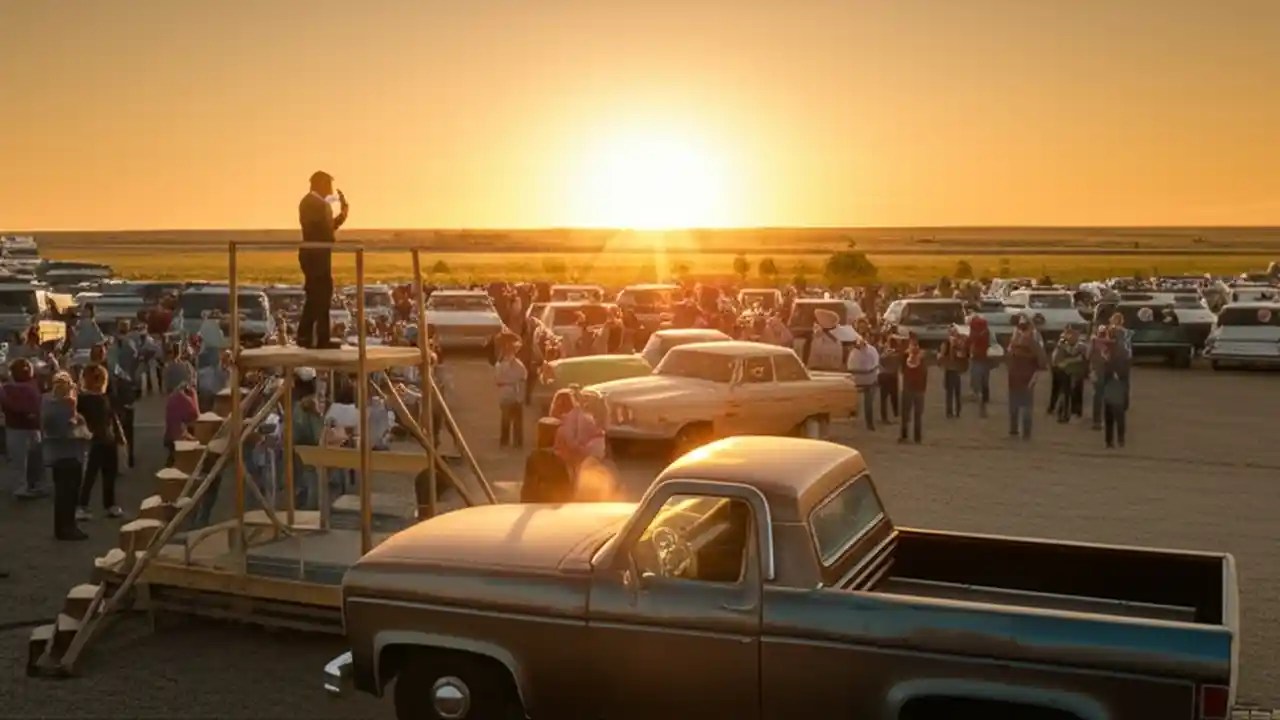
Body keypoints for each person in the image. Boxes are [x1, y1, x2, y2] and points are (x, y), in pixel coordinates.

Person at [297, 171, 349, 349]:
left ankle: (307, 336)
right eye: (328, 185)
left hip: (319, 255)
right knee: (321, 294)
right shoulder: (311, 203)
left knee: (316, 296)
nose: (331, 189)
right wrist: (331, 206)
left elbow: (327, 227)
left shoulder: (317, 204)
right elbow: (323, 231)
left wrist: (342, 215)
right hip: (315, 257)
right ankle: (319, 337)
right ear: (320, 184)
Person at [42, 372, 88, 541]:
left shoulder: (46, 402)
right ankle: (68, 527)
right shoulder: (68, 405)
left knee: (61, 493)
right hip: (70, 453)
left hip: (55, 454)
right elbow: (73, 430)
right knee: (70, 493)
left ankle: (61, 527)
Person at [76, 364, 124, 520]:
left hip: (107, 439)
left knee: (110, 473)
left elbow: (112, 418)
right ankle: (82, 505)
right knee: (90, 475)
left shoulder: (104, 398)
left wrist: (119, 436)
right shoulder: (82, 400)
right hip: (93, 441)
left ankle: (110, 504)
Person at [1, 358, 46, 499]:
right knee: (28, 458)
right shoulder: (30, 388)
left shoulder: (7, 389)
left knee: (25, 459)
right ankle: (27, 486)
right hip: (26, 428)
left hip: (20, 428)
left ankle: (27, 485)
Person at [1006, 318, 1044, 440]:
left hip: (1014, 377)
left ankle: (1013, 429)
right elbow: (1042, 362)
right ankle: (1026, 432)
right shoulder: (1033, 343)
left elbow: (1008, 359)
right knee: (1027, 405)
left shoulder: (1013, 344)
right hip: (1028, 378)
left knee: (1014, 405)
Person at [520, 417, 574, 503]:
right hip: (554, 505)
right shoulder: (558, 459)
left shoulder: (533, 458)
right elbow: (566, 487)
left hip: (538, 504)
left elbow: (527, 487)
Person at [495, 335, 528, 449]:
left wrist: (520, 396)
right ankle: (506, 440)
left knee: (515, 420)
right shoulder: (502, 365)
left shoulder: (517, 365)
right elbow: (498, 379)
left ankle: (516, 441)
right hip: (507, 394)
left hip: (514, 393)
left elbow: (523, 378)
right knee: (507, 419)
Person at [1051, 326, 1088, 423]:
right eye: (1070, 335)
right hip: (1065, 373)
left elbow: (1085, 359)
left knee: (1076, 393)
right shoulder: (1062, 346)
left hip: (1077, 373)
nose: (1072, 337)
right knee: (1065, 393)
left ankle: (1075, 412)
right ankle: (1064, 414)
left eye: (1074, 335)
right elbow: (1056, 361)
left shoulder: (1081, 347)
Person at [845, 334, 880, 431]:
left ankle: (869, 423)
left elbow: (875, 365)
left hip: (870, 381)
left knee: (868, 404)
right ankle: (853, 421)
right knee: (855, 402)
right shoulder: (854, 353)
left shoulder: (872, 351)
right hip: (859, 381)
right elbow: (850, 367)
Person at [898, 336, 927, 444]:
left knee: (914, 415)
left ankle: (913, 437)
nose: (914, 347)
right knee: (908, 415)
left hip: (914, 389)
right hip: (911, 389)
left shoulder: (917, 358)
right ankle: (911, 436)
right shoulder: (907, 357)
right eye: (912, 344)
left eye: (915, 345)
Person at [164, 381, 199, 467]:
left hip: (169, 436)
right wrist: (194, 396)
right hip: (179, 436)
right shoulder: (186, 400)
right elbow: (196, 415)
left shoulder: (172, 397)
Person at [1100, 349, 1129, 449]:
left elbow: (1103, 381)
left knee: (1110, 419)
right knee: (1119, 419)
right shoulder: (1124, 367)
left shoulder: (1107, 364)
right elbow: (1126, 384)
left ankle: (1109, 441)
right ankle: (1119, 439)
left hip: (1111, 392)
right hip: (1118, 393)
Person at [938, 328, 969, 419]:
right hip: (953, 370)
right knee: (954, 392)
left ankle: (952, 411)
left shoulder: (955, 344)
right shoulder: (950, 343)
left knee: (952, 392)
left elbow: (942, 356)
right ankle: (954, 411)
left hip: (952, 370)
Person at [967, 314, 992, 416]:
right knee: (985, 379)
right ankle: (985, 397)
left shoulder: (974, 332)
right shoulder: (986, 331)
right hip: (986, 358)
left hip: (977, 357)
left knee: (976, 378)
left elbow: (969, 342)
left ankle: (980, 399)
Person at [876, 333, 901, 425]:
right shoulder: (896, 353)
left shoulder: (884, 351)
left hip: (884, 375)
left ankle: (885, 417)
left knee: (884, 398)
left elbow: (879, 361)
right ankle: (895, 415)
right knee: (894, 397)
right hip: (891, 376)